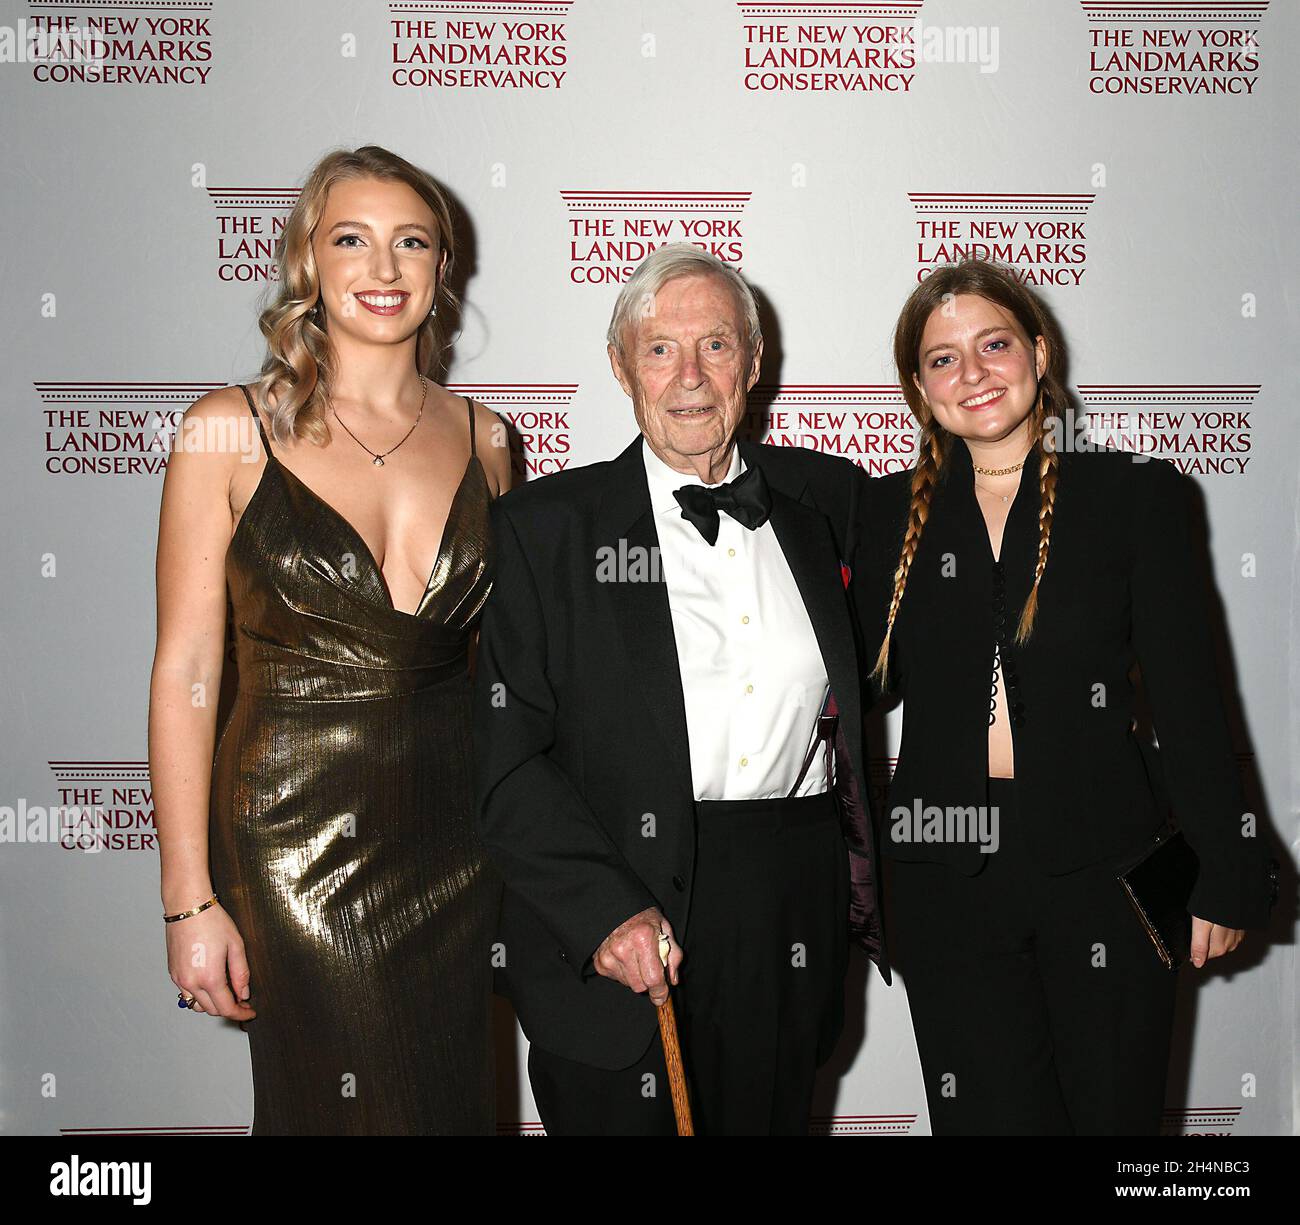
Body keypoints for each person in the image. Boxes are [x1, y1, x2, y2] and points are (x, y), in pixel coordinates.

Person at [472, 243, 889, 1136]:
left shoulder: (829, 504)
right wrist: (603, 911)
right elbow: (506, 763)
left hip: (786, 906)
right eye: (660, 349)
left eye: (717, 345)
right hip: (619, 902)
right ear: (621, 366)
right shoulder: (543, 529)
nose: (690, 375)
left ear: (755, 361)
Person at [863, 257, 1277, 1135]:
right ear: (916, 387)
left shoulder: (1136, 497)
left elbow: (1193, 703)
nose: (972, 373)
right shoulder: (879, 514)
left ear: (1039, 352)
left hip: (1110, 875)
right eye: (942, 359)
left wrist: (1229, 866)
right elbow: (857, 678)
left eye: (994, 344)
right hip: (946, 881)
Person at [148, 145, 510, 1135]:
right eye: (352, 239)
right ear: (309, 259)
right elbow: (186, 671)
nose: (383, 270)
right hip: (293, 838)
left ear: (443, 269)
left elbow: (498, 672)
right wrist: (188, 898)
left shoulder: (486, 438)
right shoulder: (226, 429)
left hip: (455, 839)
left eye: (411, 243)